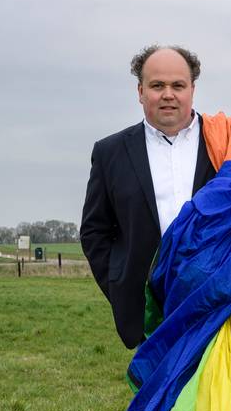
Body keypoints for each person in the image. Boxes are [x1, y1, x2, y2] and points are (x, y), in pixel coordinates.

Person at [81, 45, 217, 349]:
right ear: (141, 91)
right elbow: (95, 232)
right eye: (157, 86)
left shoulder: (223, 143)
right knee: (156, 397)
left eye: (177, 85)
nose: (168, 94)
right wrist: (122, 289)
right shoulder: (110, 153)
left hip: (216, 308)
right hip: (149, 318)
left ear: (192, 90)